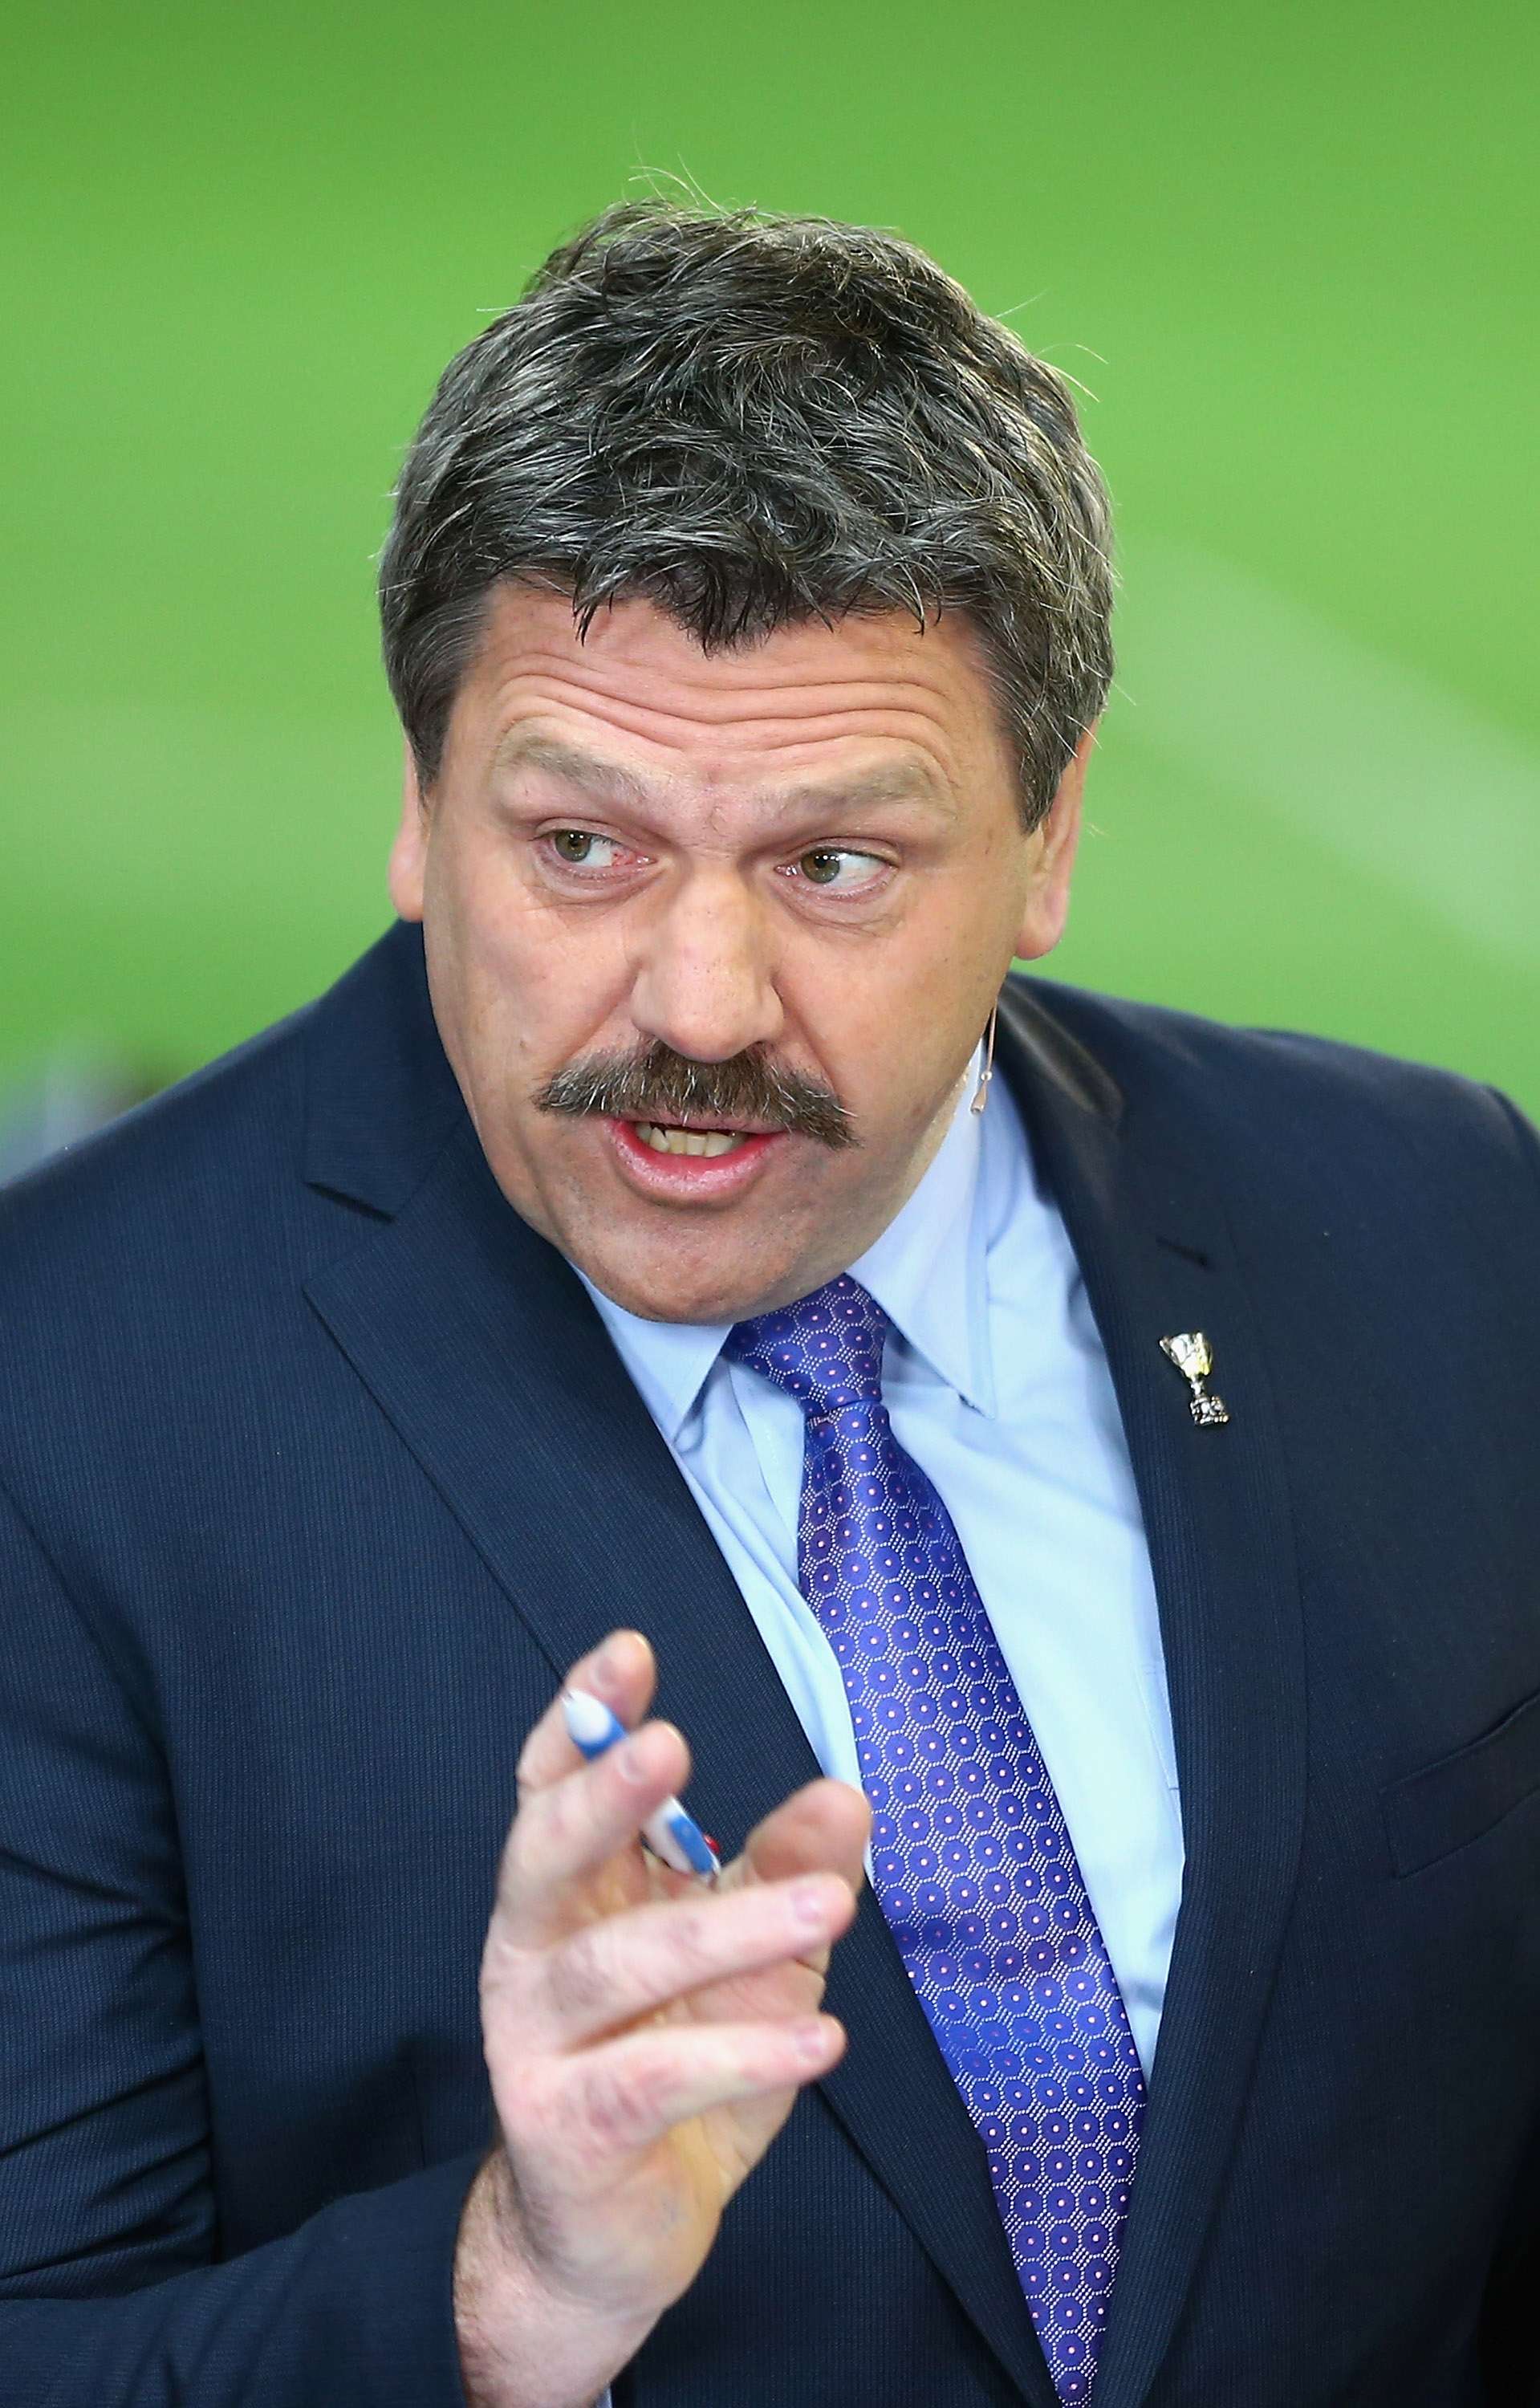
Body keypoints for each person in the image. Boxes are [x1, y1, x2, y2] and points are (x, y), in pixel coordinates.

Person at [1, 201, 1537, 2408]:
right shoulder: (59, 1400)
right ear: (420, 809)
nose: (703, 1003)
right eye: (585, 847)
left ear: (1050, 839)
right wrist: (508, 2287)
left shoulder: (1440, 1231)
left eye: (834, 864)